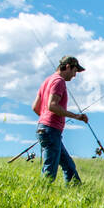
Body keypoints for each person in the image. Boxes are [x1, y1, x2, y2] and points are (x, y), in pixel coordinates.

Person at [32, 55, 88, 183]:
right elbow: (52, 105)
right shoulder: (59, 81)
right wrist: (76, 116)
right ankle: (42, 195)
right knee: (49, 170)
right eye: (74, 71)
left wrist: (45, 120)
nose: (75, 75)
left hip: (45, 129)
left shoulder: (47, 81)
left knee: (69, 167)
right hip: (51, 131)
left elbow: (35, 107)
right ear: (67, 66)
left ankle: (76, 194)